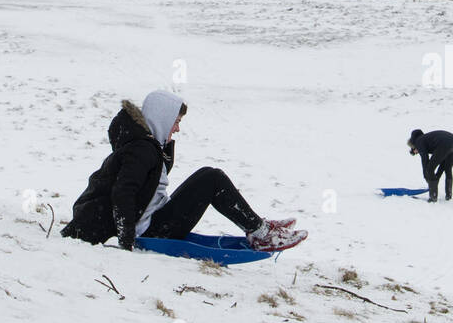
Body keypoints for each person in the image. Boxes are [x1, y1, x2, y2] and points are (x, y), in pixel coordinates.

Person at [61, 90, 307, 252]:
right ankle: (261, 233)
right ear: (162, 120)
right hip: (150, 231)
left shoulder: (146, 145)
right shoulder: (143, 150)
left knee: (209, 174)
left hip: (150, 220)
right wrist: (127, 244)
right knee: (212, 179)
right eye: (175, 122)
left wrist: (164, 147)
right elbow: (122, 193)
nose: (177, 129)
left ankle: (258, 227)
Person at [407, 128, 453, 202]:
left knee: (429, 169)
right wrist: (435, 178)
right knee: (447, 167)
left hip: (445, 144)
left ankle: (433, 197)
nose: (416, 152)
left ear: (413, 145)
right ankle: (448, 195)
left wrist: (427, 177)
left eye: (414, 150)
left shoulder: (419, 142)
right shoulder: (427, 139)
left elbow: (425, 160)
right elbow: (442, 165)